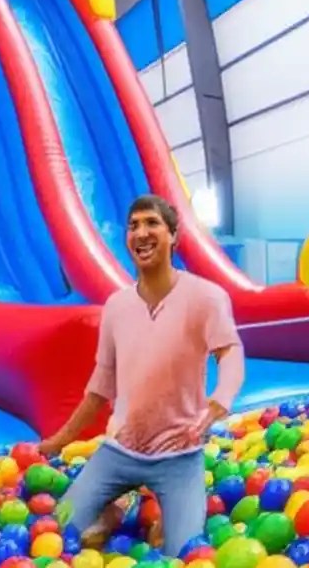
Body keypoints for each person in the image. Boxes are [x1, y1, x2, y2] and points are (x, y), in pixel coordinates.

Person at [37, 194, 246, 557]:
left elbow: (230, 353)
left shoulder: (205, 296)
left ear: (174, 236)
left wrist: (217, 403)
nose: (141, 233)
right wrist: (58, 441)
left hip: (179, 456)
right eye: (133, 226)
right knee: (60, 525)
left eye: (152, 223)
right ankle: (118, 508)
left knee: (184, 552)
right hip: (120, 450)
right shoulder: (117, 306)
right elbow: (100, 387)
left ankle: (160, 509)